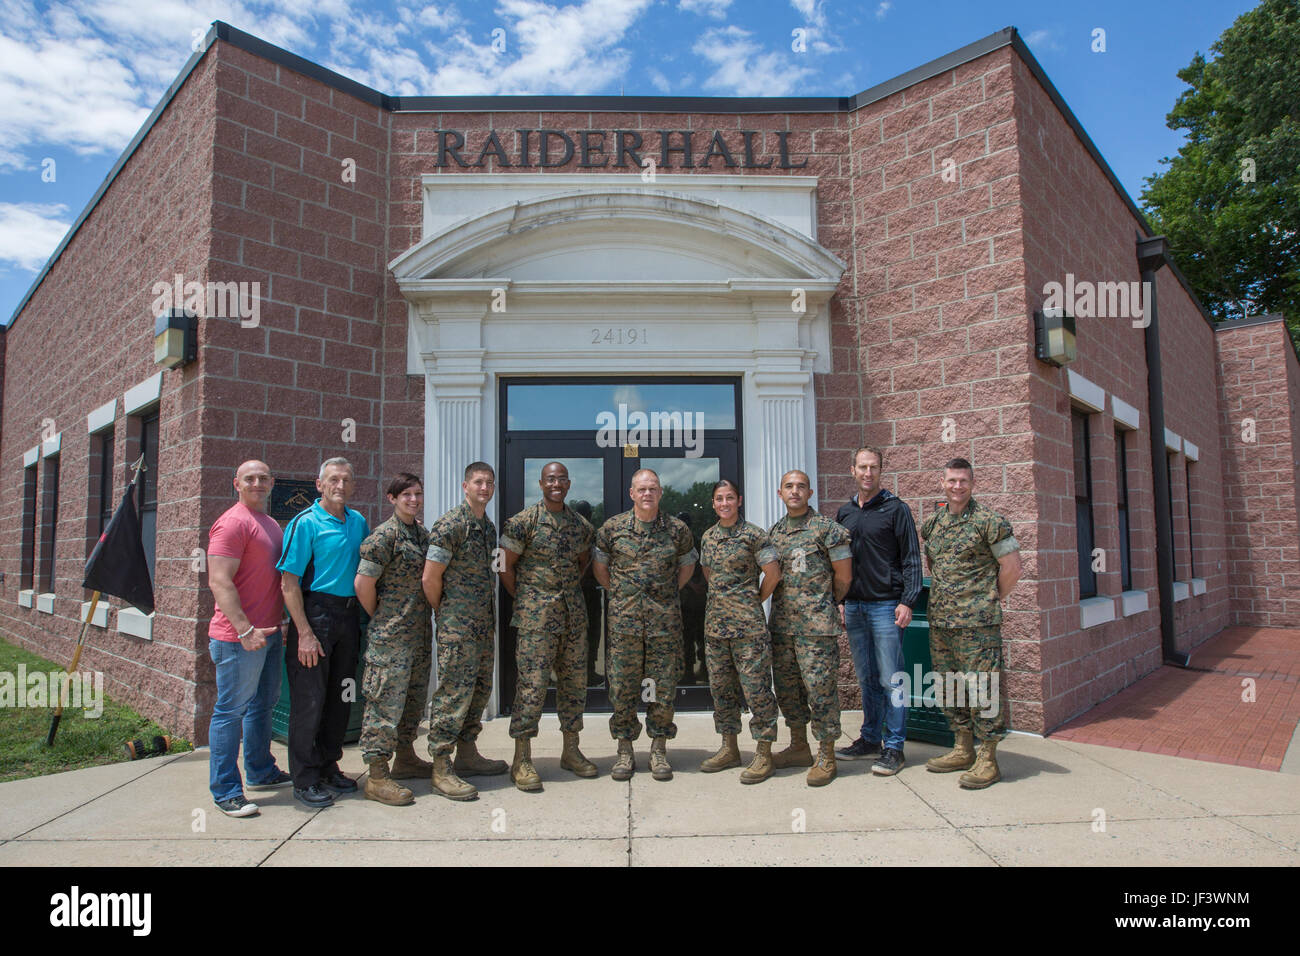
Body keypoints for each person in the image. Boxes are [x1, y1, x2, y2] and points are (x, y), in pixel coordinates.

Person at [920, 457, 1022, 789]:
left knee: (983, 689)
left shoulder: (990, 522)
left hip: (978, 626)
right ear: (942, 482)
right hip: (942, 623)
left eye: (963, 481)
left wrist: (987, 601)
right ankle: (962, 748)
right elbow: (934, 565)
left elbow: (1012, 568)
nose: (957, 486)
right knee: (949, 686)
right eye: (952, 480)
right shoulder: (932, 524)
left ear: (972, 483)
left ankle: (988, 758)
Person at [592, 468, 697, 781]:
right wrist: (623, 595)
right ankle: (624, 750)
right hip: (624, 627)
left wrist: (663, 595)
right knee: (623, 689)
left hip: (664, 627)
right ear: (632, 493)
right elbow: (601, 569)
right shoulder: (612, 529)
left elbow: (687, 566)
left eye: (653, 488)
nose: (647, 493)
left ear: (660, 493)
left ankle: (658, 748)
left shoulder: (677, 530)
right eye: (642, 489)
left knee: (661, 690)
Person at [500, 461, 598, 791]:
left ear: (568, 485)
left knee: (574, 686)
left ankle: (571, 750)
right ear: (541, 484)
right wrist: (528, 597)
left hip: (572, 619)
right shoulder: (521, 523)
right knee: (532, 688)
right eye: (550, 479)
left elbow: (584, 563)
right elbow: (503, 566)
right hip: (536, 622)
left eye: (562, 480)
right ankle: (522, 759)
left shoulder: (581, 525)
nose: (556, 484)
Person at [278, 457, 370, 808]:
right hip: (315, 616)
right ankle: (304, 779)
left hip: (348, 619)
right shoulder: (305, 523)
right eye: (333, 480)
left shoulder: (358, 521)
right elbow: (288, 584)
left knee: (342, 698)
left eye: (346, 480)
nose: (340, 486)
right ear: (320, 485)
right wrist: (303, 633)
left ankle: (329, 765)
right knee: (309, 701)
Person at [205, 460, 290, 817]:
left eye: (263, 478)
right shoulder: (232, 523)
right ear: (236, 483)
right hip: (239, 638)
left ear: (271, 483)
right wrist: (243, 629)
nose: (257, 483)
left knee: (262, 705)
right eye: (249, 478)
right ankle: (225, 791)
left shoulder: (269, 524)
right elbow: (219, 581)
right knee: (230, 712)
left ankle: (260, 770)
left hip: (268, 634)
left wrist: (280, 621)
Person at [422, 462, 508, 801]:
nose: (484, 488)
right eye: (478, 482)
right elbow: (430, 578)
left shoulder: (486, 526)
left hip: (482, 625)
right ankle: (441, 766)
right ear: (465, 486)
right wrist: (445, 613)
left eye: (489, 482)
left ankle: (468, 753)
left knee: (479, 689)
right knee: (453, 693)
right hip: (458, 627)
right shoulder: (451, 524)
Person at [835, 446, 922, 776]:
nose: (867, 473)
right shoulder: (844, 513)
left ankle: (895, 747)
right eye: (862, 467)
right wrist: (841, 600)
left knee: (891, 680)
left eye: (873, 467)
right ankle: (870, 739)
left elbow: (911, 558)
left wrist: (907, 601)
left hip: (887, 606)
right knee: (867, 678)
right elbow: (839, 563)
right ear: (852, 470)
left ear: (880, 471)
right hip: (855, 607)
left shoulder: (896, 509)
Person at [767, 469, 853, 786]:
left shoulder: (829, 530)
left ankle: (826, 753)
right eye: (788, 486)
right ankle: (799, 746)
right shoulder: (773, 534)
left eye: (801, 486)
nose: (795, 491)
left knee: (821, 691)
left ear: (810, 493)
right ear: (780, 493)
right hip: (782, 627)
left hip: (817, 629)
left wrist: (823, 605)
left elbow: (844, 578)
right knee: (789, 691)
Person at [354, 473, 434, 806]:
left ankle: (405, 758)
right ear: (391, 498)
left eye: (418, 494)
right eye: (406, 495)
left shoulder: (421, 534)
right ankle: (376, 775)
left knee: (412, 701)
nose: (414, 500)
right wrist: (384, 618)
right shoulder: (383, 537)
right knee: (384, 706)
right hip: (390, 639)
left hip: (417, 635)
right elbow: (363, 585)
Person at [697, 480, 782, 783]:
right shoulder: (708, 537)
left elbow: (772, 574)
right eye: (719, 499)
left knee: (756, 690)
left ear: (739, 500)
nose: (724, 503)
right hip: (716, 628)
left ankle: (763, 753)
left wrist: (752, 600)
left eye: (729, 498)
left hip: (748, 629)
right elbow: (709, 574)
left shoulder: (755, 535)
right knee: (722, 690)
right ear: (713, 503)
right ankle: (729, 747)